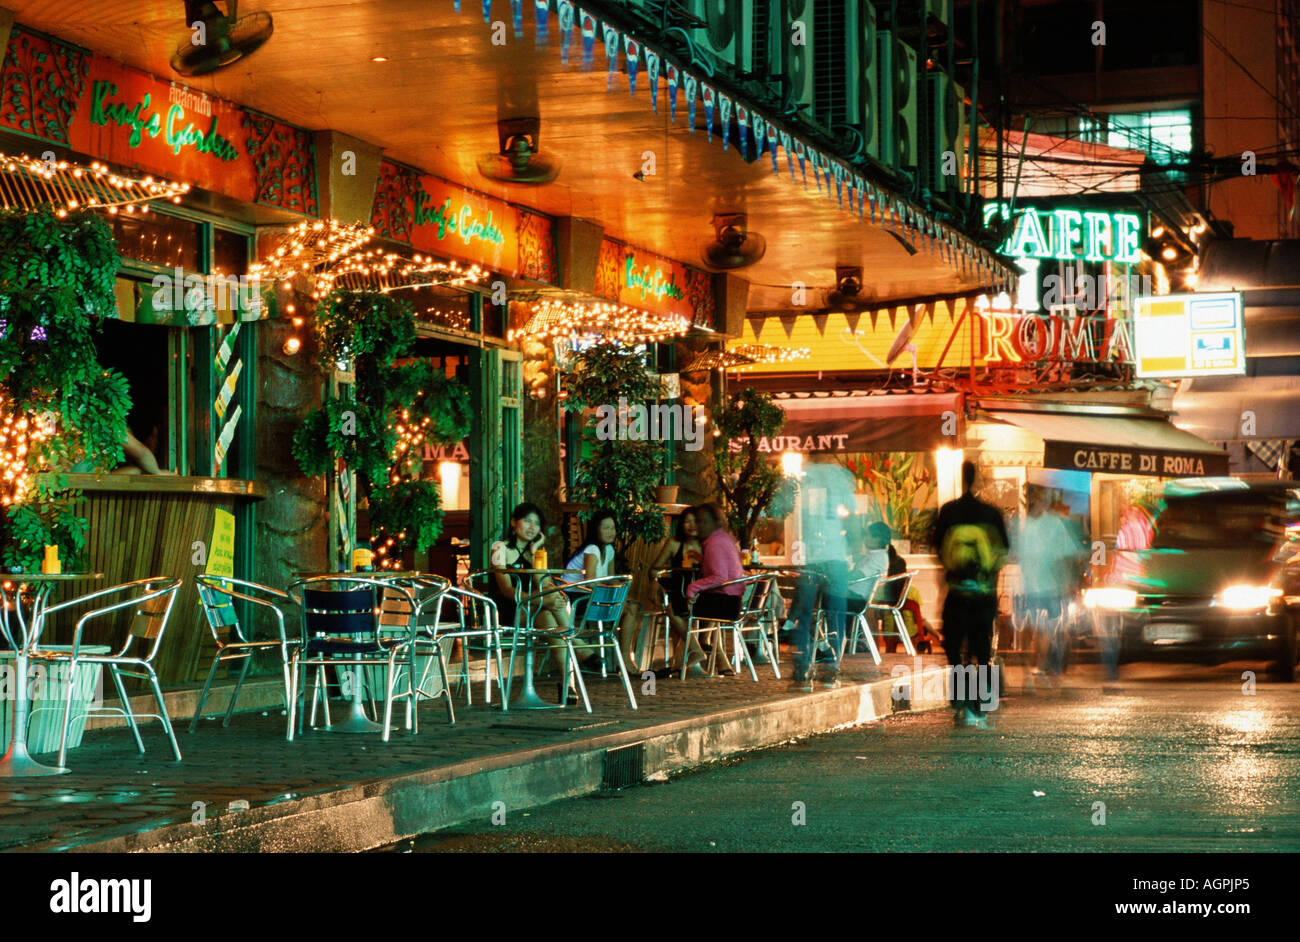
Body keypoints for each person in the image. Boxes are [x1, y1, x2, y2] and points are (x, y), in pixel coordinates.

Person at [933, 460, 1008, 728]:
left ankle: (962, 703)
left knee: (955, 650)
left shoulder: (947, 511)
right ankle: (980, 707)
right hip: (984, 595)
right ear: (978, 480)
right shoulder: (992, 514)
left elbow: (938, 551)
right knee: (981, 650)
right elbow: (1004, 552)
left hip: (956, 593)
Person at [489, 502, 575, 702]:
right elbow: (507, 590)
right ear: (513, 522)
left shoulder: (535, 551)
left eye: (536, 523)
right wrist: (542, 597)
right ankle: (578, 645)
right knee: (551, 603)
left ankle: (567, 684)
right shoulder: (498, 548)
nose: (532, 527)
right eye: (527, 521)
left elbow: (543, 583)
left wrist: (536, 550)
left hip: (534, 610)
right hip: (509, 610)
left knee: (550, 622)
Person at [789, 460, 855, 691]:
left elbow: (787, 509)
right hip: (834, 557)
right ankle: (829, 664)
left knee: (805, 612)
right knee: (834, 612)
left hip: (814, 557)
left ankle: (803, 664)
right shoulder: (840, 478)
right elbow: (852, 514)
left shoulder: (805, 477)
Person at [1016, 487, 1083, 681]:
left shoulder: (1029, 526)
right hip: (1046, 588)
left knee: (1042, 629)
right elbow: (1069, 555)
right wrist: (1069, 581)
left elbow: (1021, 558)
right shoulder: (1051, 524)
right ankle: (1048, 665)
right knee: (1046, 629)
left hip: (1041, 588)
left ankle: (1044, 665)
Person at [564, 510, 643, 673]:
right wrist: (614, 595)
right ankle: (624, 660)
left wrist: (622, 592)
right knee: (627, 609)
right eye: (605, 528)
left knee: (632, 607)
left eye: (612, 528)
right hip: (575, 598)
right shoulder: (592, 549)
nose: (610, 532)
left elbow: (609, 579)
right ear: (596, 530)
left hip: (593, 596)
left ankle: (624, 658)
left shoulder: (609, 550)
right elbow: (590, 583)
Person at [683, 503, 745, 677]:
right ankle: (705, 645)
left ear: (713, 523)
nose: (698, 526)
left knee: (677, 610)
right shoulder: (724, 539)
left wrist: (692, 588)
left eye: (702, 522)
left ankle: (694, 652)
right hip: (732, 601)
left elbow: (719, 577)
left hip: (725, 604)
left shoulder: (714, 543)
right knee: (698, 604)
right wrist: (702, 559)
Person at [650, 509, 709, 676]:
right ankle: (694, 652)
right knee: (673, 610)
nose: (692, 526)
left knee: (680, 612)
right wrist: (656, 580)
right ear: (681, 525)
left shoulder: (707, 545)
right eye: (687, 522)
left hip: (703, 594)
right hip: (679, 593)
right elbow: (654, 569)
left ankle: (685, 661)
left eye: (695, 521)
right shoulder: (674, 544)